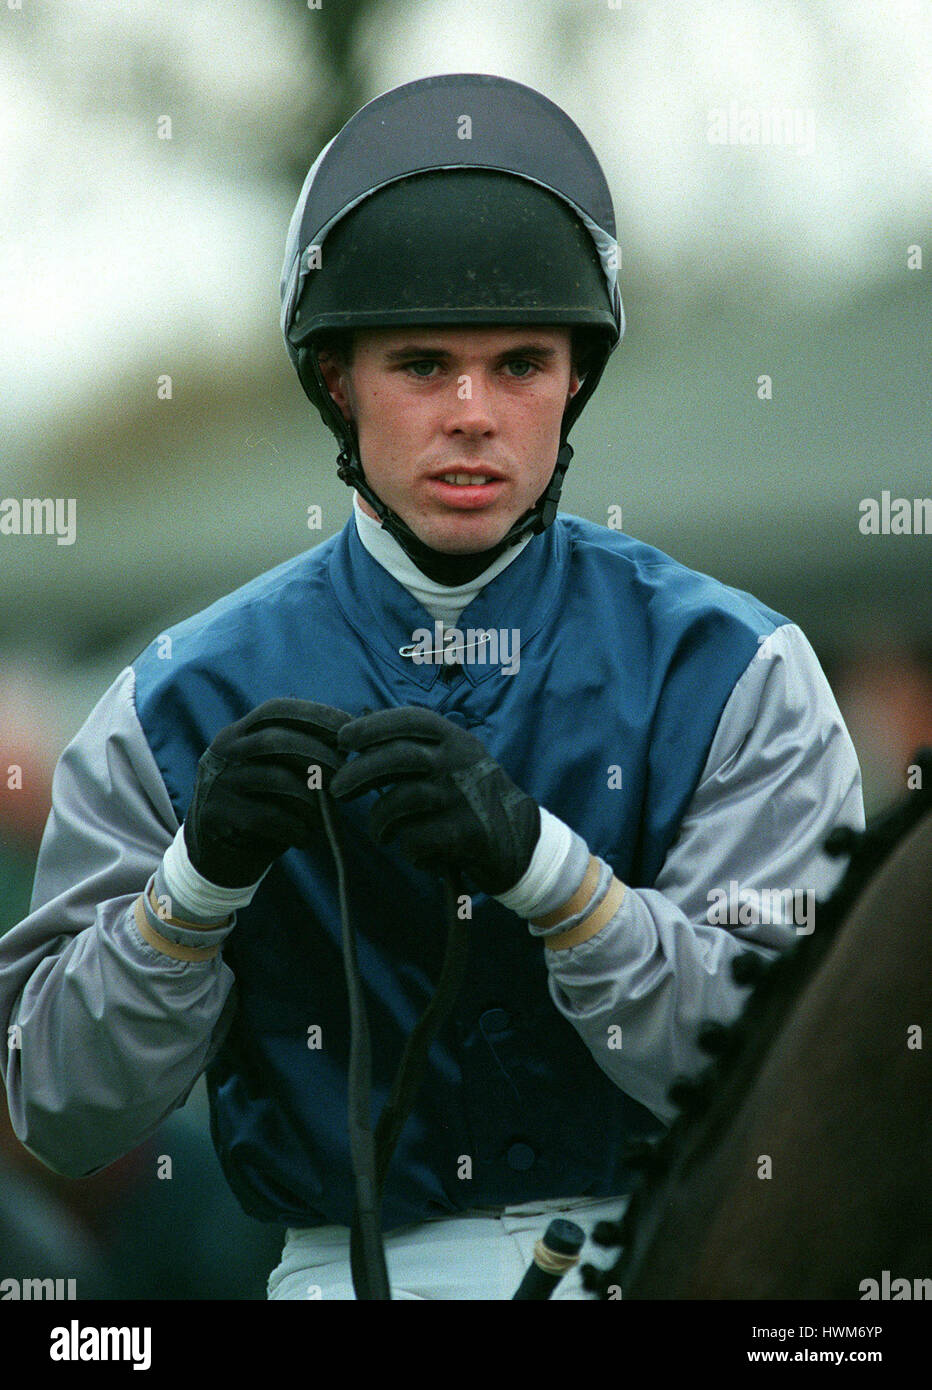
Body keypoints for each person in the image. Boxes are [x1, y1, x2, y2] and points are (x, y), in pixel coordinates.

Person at [0, 74, 864, 1301]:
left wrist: (553, 880)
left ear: (576, 383)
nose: (472, 415)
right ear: (336, 382)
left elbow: (796, 1087)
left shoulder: (737, 671)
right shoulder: (170, 700)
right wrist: (189, 895)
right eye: (421, 364)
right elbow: (60, 1113)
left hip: (681, 1266)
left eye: (518, 363)